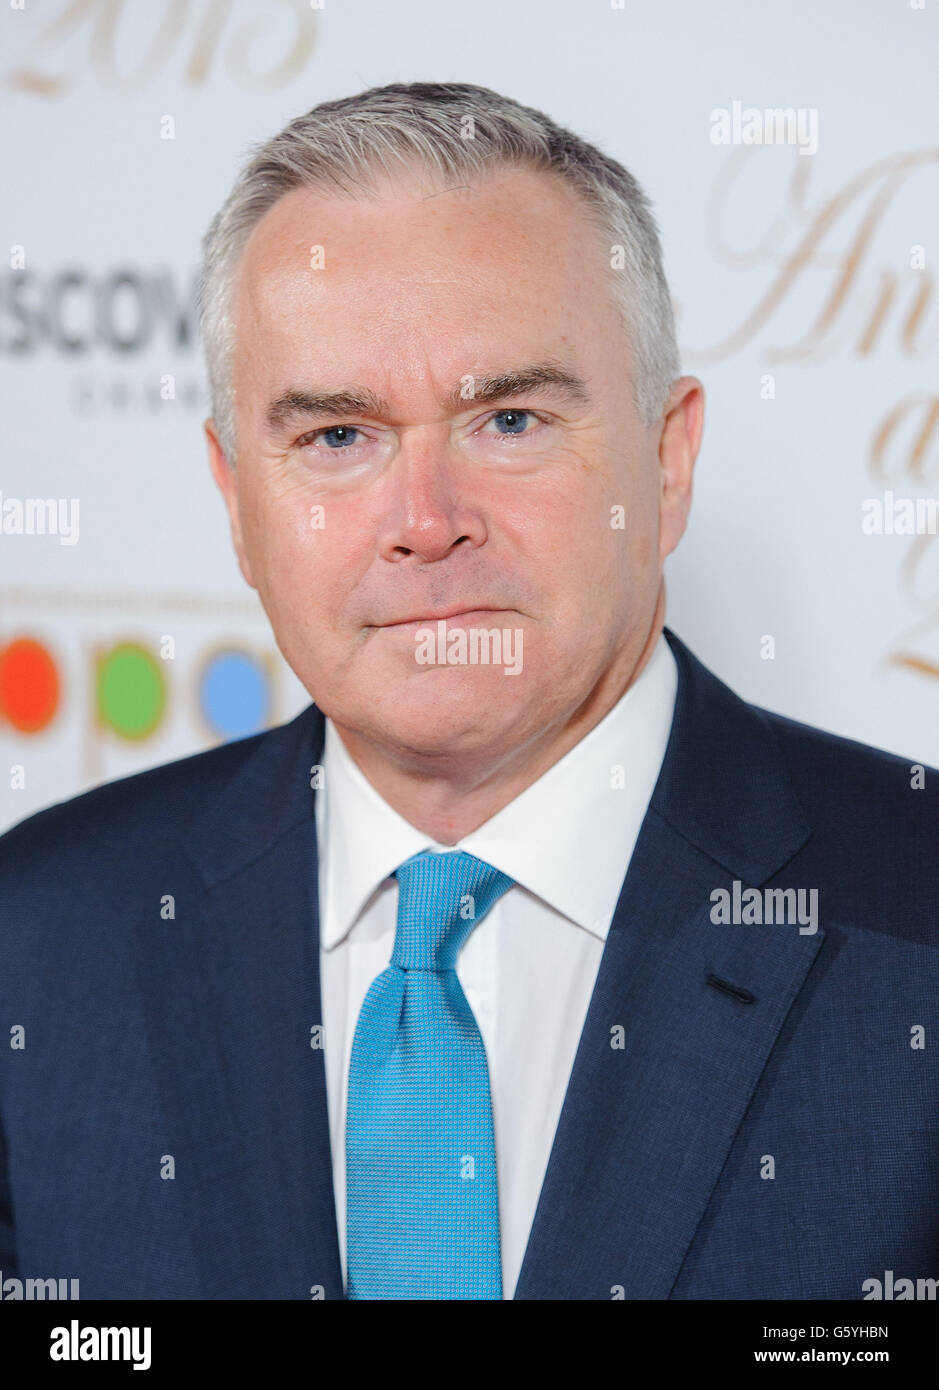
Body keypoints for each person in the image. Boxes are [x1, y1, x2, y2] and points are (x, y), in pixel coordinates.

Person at [1, 82, 936, 1301]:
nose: (428, 523)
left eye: (508, 417)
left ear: (668, 458)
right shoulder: (40, 941)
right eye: (338, 437)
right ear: (237, 501)